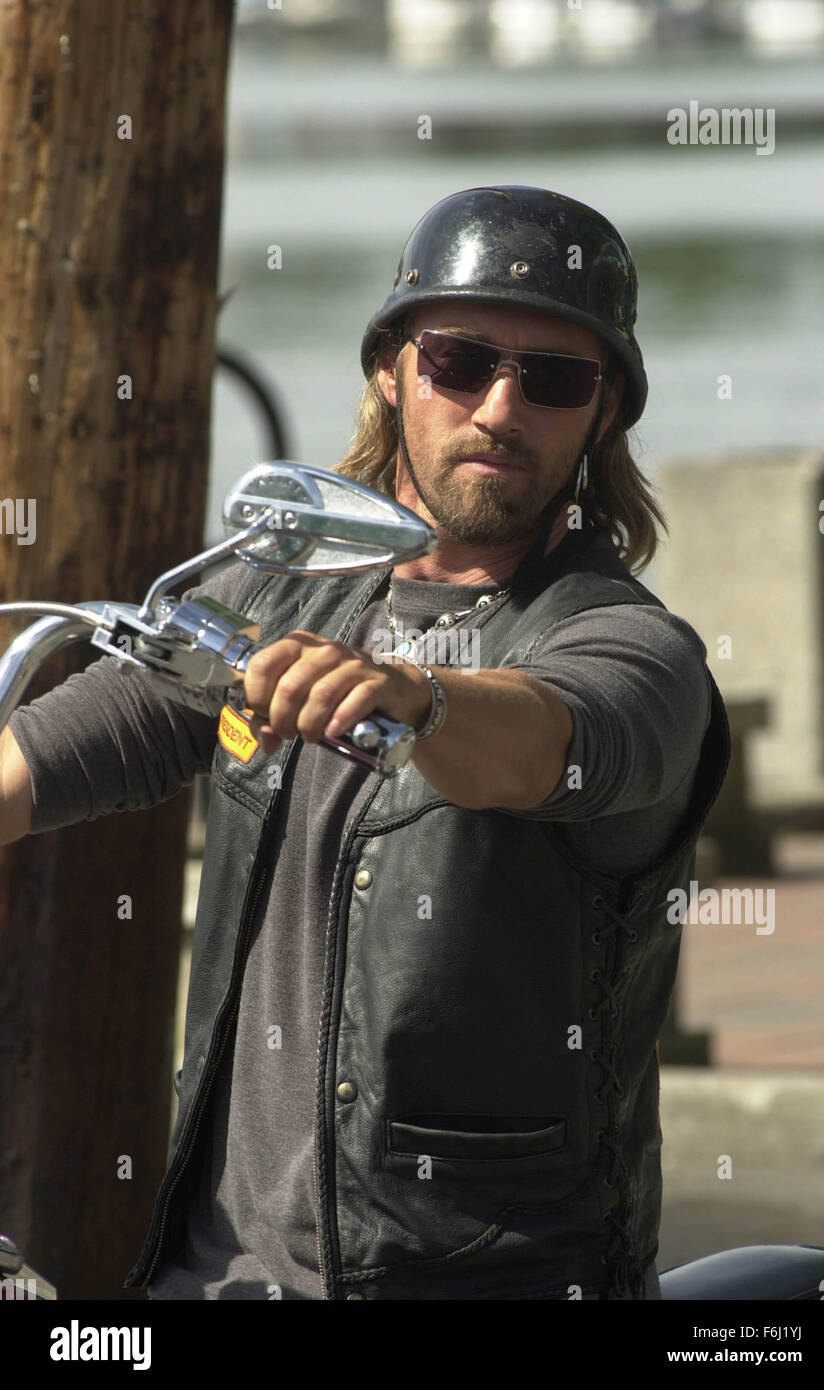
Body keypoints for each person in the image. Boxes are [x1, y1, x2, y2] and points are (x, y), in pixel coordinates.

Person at [0, 185, 730, 1301]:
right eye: (460, 360)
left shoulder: (630, 645)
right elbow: (77, 737)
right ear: (391, 367)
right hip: (205, 1284)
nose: (498, 406)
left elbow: (550, 738)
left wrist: (419, 700)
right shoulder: (280, 591)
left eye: (553, 378)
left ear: (603, 414)